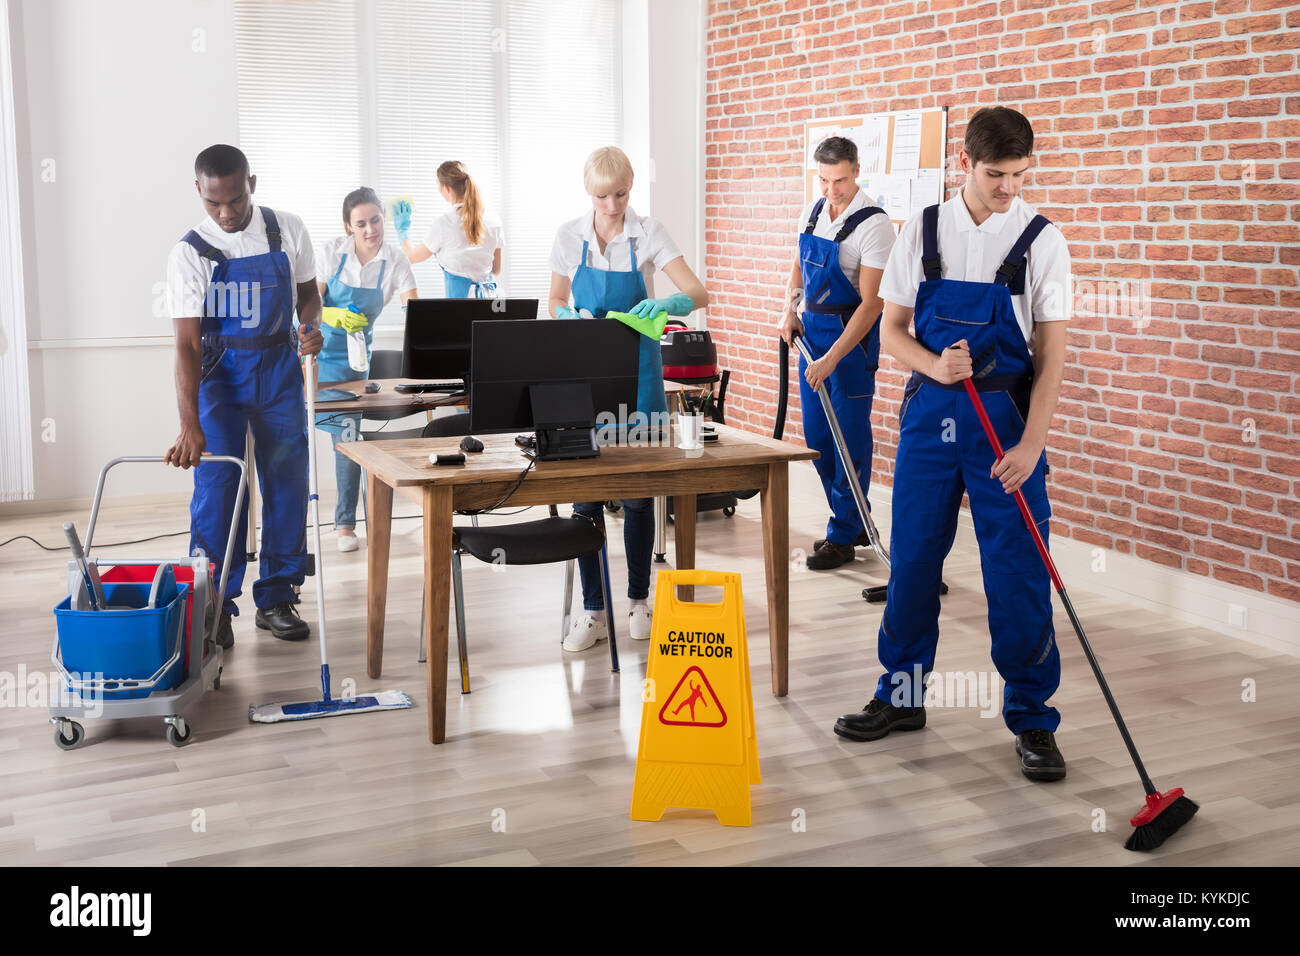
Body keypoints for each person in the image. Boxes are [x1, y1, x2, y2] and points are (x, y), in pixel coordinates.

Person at [832, 107, 1073, 783]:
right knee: (912, 561)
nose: (1008, 188)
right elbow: (893, 333)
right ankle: (900, 697)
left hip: (1005, 427)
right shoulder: (924, 231)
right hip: (932, 419)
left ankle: (1032, 720)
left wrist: (1031, 445)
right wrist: (933, 366)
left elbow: (1052, 358)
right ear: (964, 163)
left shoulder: (1041, 240)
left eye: (1020, 174)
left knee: (1017, 574)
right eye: (996, 174)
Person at [547, 146, 709, 651]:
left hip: (639, 379)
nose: (613, 205)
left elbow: (698, 293)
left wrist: (663, 302)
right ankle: (592, 611)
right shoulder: (568, 236)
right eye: (602, 196)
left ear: (631, 185)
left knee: (640, 495)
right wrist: (569, 318)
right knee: (586, 495)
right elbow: (552, 300)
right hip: (582, 377)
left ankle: (640, 598)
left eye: (620, 194)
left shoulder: (649, 234)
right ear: (587, 191)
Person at [164, 144, 323, 645]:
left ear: (251, 182)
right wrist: (190, 423)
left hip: (278, 371)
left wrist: (310, 327)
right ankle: (214, 605)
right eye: (214, 203)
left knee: (286, 480)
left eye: (234, 199)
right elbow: (187, 345)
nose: (226, 213)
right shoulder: (189, 251)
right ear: (199, 192)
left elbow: (309, 297)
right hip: (219, 376)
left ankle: (277, 595)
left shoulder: (287, 228)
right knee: (218, 488)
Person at [778, 136, 896, 571]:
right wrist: (788, 310)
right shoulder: (813, 212)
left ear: (857, 170)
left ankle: (843, 535)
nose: (832, 190)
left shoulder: (875, 225)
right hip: (812, 340)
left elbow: (873, 304)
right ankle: (857, 520)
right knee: (818, 442)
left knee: (850, 442)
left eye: (840, 180)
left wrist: (833, 359)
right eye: (824, 180)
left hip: (850, 345)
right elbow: (797, 266)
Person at [314, 187, 419, 552]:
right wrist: (331, 314)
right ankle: (319, 525)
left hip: (356, 364)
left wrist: (421, 333)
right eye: (361, 223)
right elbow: (307, 308)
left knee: (347, 438)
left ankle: (345, 525)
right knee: (337, 439)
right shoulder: (331, 252)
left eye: (376, 220)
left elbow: (415, 311)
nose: (370, 229)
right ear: (348, 227)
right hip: (318, 357)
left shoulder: (394, 261)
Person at [395, 161, 504, 298]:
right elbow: (496, 269)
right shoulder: (494, 221)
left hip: (458, 310)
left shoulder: (443, 224)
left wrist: (402, 230)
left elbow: (412, 257)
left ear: (447, 189)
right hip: (489, 306)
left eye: (438, 186)